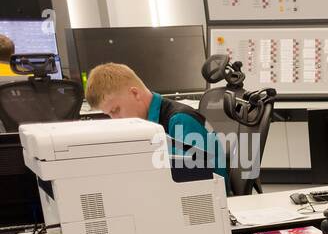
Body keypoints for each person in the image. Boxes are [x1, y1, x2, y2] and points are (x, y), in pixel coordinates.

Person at [83, 63, 227, 188]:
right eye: (109, 114)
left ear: (135, 93)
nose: (115, 120)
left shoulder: (180, 121)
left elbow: (193, 184)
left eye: (116, 110)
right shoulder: (144, 127)